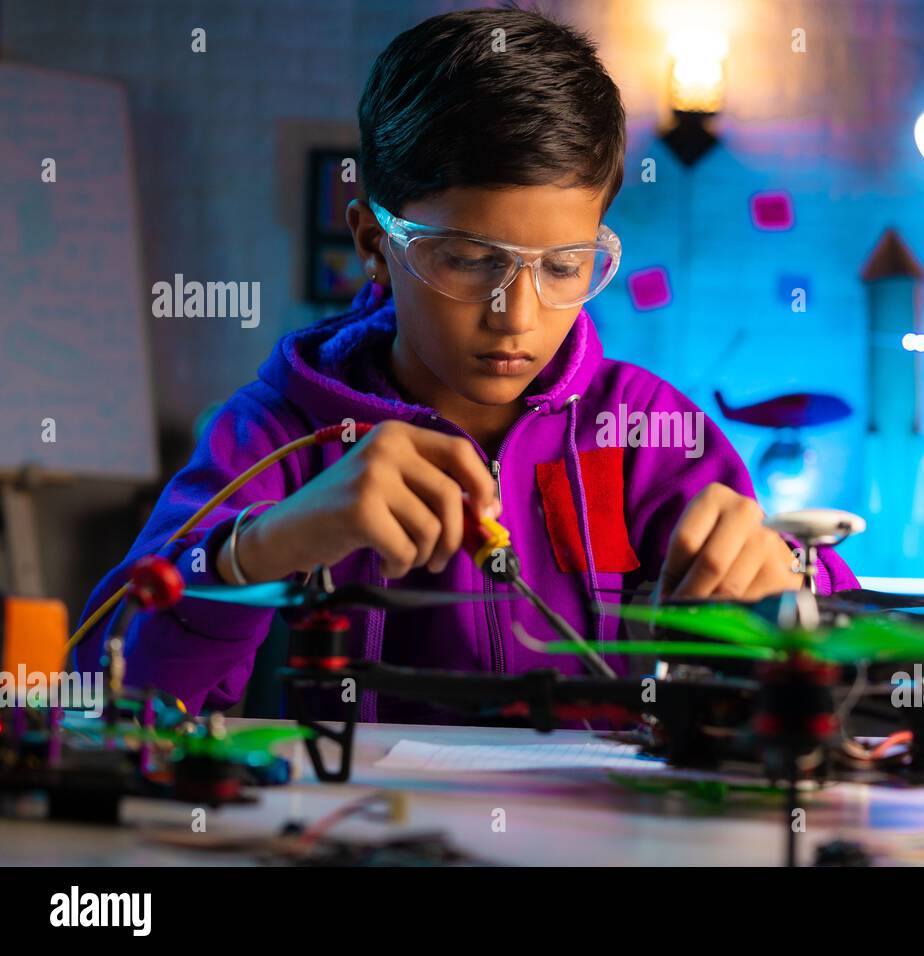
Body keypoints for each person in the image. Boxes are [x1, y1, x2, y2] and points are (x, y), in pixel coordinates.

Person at [75, 7, 857, 722]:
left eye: (563, 267)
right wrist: (256, 551)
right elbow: (104, 696)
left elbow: (857, 681)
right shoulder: (276, 434)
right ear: (373, 241)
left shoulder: (651, 433)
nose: (515, 315)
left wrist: (791, 594)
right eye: (469, 260)